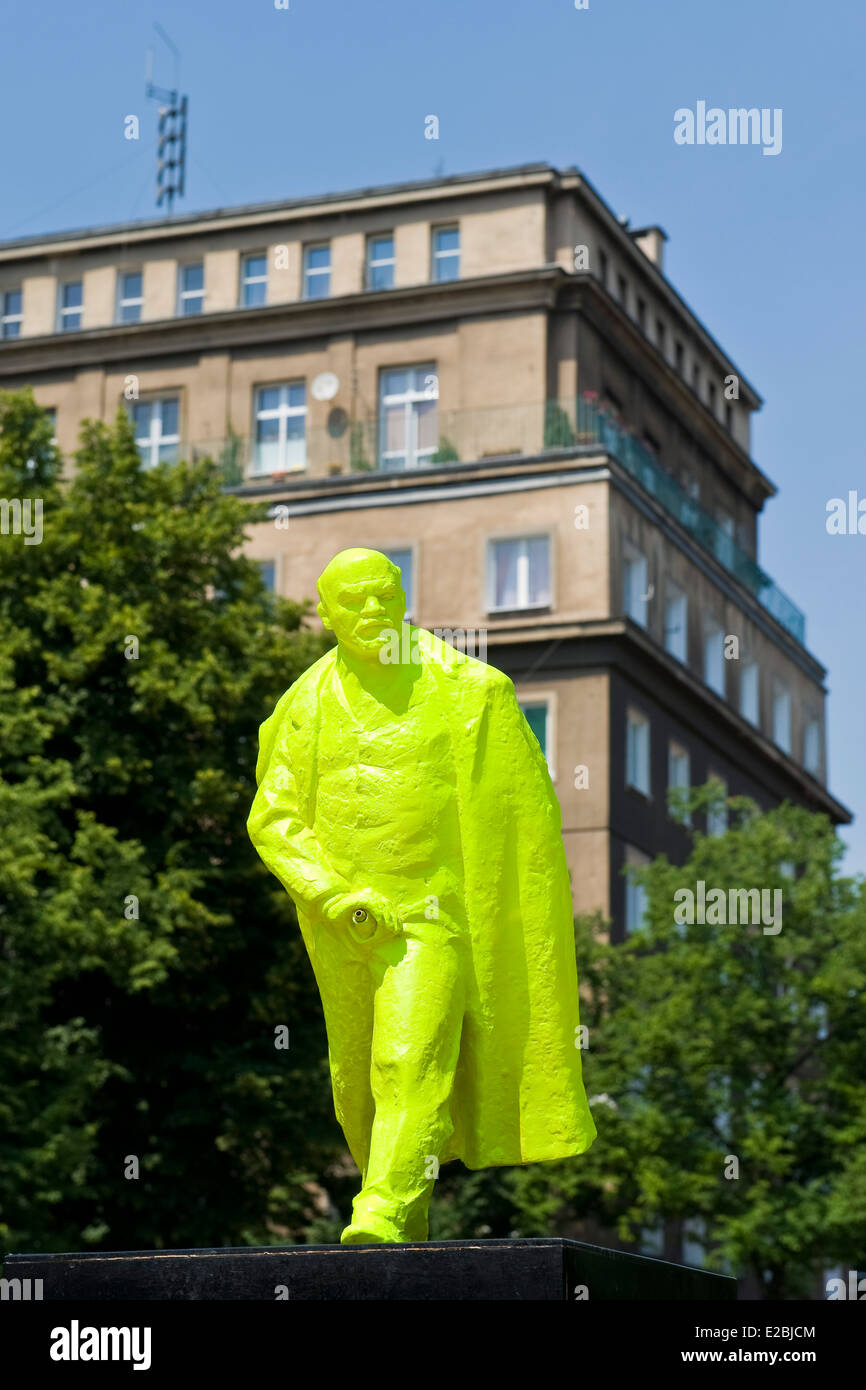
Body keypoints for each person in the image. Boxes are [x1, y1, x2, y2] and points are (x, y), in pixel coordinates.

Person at [248, 547, 596, 1243]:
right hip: (341, 925)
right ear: (326, 614)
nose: (371, 610)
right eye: (353, 601)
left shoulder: (472, 693)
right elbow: (272, 818)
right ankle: (409, 1212)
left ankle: (382, 1208)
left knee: (407, 1059)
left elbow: (518, 828)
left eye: (383, 594)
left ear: (402, 596)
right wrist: (328, 894)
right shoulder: (304, 704)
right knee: (356, 1091)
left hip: (430, 920)